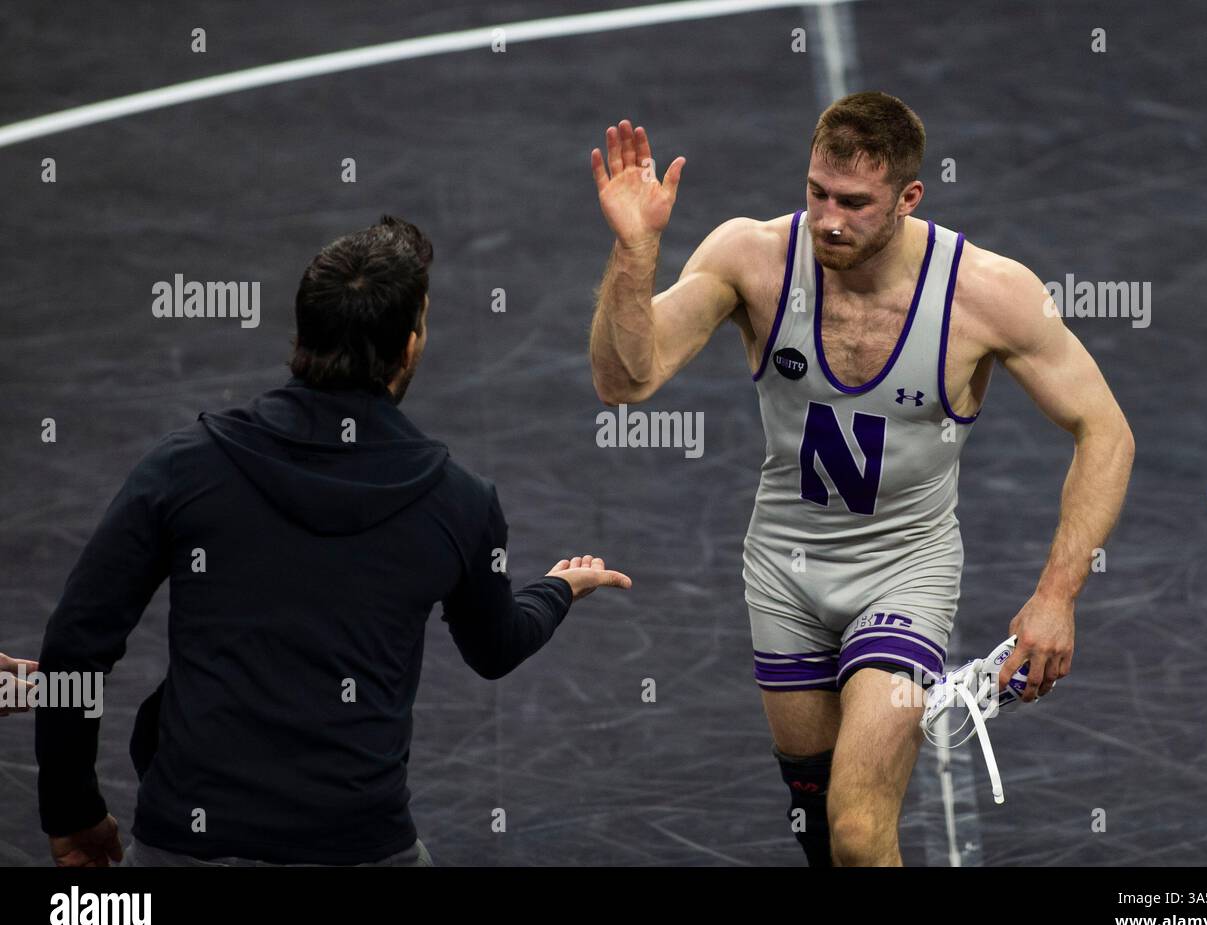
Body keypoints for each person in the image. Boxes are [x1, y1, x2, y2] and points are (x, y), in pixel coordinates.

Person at [587, 93, 1135, 866]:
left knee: (856, 826)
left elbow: (1105, 430)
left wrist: (1057, 595)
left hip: (904, 571)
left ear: (909, 199)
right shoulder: (751, 256)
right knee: (816, 824)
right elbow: (624, 381)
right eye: (816, 193)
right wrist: (635, 253)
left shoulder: (987, 291)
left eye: (854, 203)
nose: (829, 220)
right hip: (782, 569)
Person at [35, 215, 630, 867]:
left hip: (188, 837)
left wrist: (73, 812)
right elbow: (495, 648)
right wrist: (558, 590)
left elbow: (75, 646)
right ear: (408, 348)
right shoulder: (459, 501)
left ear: (302, 335)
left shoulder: (183, 469)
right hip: (357, 845)